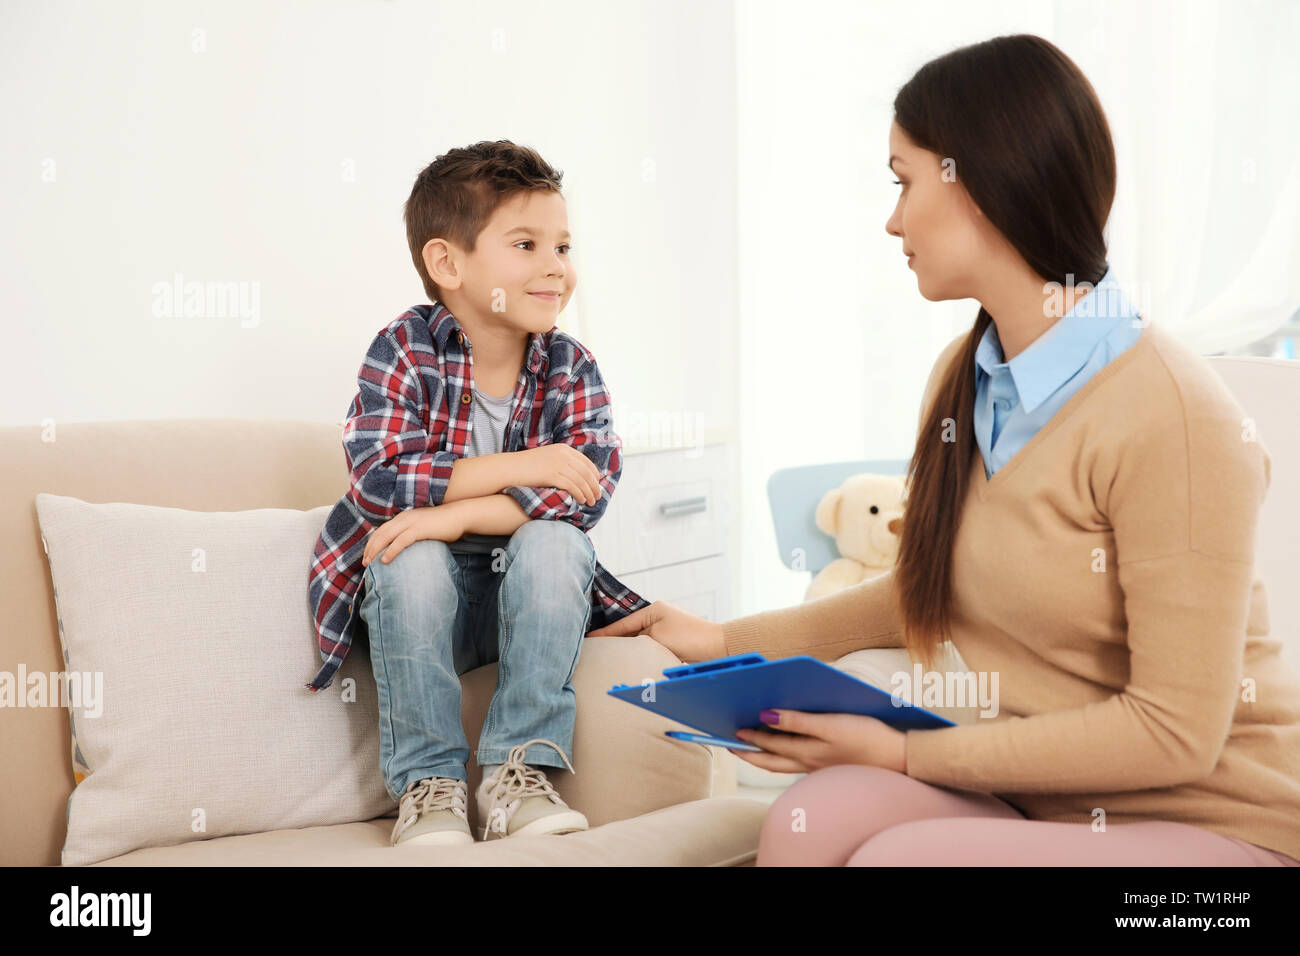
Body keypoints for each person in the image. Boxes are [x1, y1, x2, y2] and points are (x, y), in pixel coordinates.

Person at [591, 34, 1300, 867]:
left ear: (980, 182)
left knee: (902, 859)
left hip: (1220, 827)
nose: (892, 220)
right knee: (804, 825)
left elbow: (1175, 733)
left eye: (904, 182)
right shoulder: (962, 380)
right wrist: (721, 641)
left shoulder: (1174, 417)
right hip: (1041, 799)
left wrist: (902, 754)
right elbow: (930, 586)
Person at [305, 140, 651, 847]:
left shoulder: (570, 364)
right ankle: (429, 785)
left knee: (558, 541)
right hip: (419, 610)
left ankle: (515, 772)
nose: (556, 265)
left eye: (563, 244)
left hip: (522, 606)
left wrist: (451, 513)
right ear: (447, 264)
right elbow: (379, 479)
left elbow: (583, 496)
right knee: (409, 557)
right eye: (526, 244)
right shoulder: (405, 348)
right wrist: (529, 464)